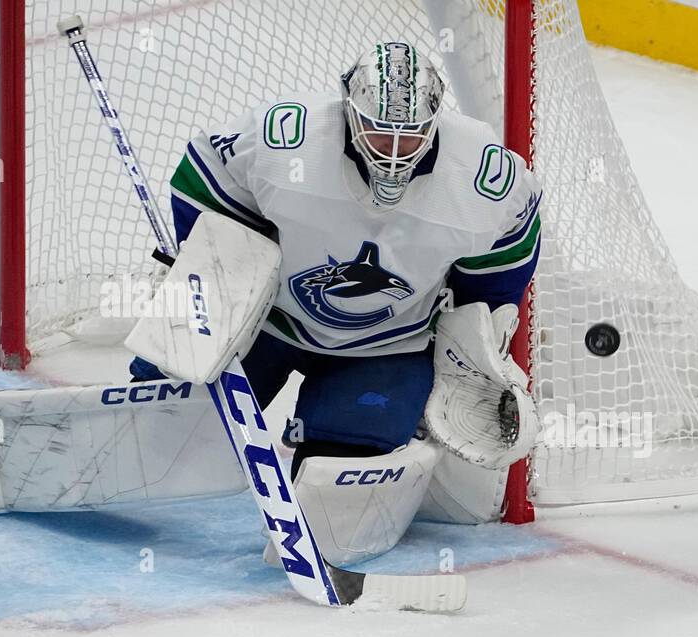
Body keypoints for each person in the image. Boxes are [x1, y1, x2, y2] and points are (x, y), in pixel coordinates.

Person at [133, 41, 543, 564]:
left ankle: (350, 436)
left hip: (388, 344)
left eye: (411, 134)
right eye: (379, 130)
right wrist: (219, 273)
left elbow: (509, 248)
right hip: (267, 322)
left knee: (343, 461)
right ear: (348, 110)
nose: (394, 150)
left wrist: (474, 337)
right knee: (167, 412)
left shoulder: (482, 177)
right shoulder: (289, 137)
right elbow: (203, 178)